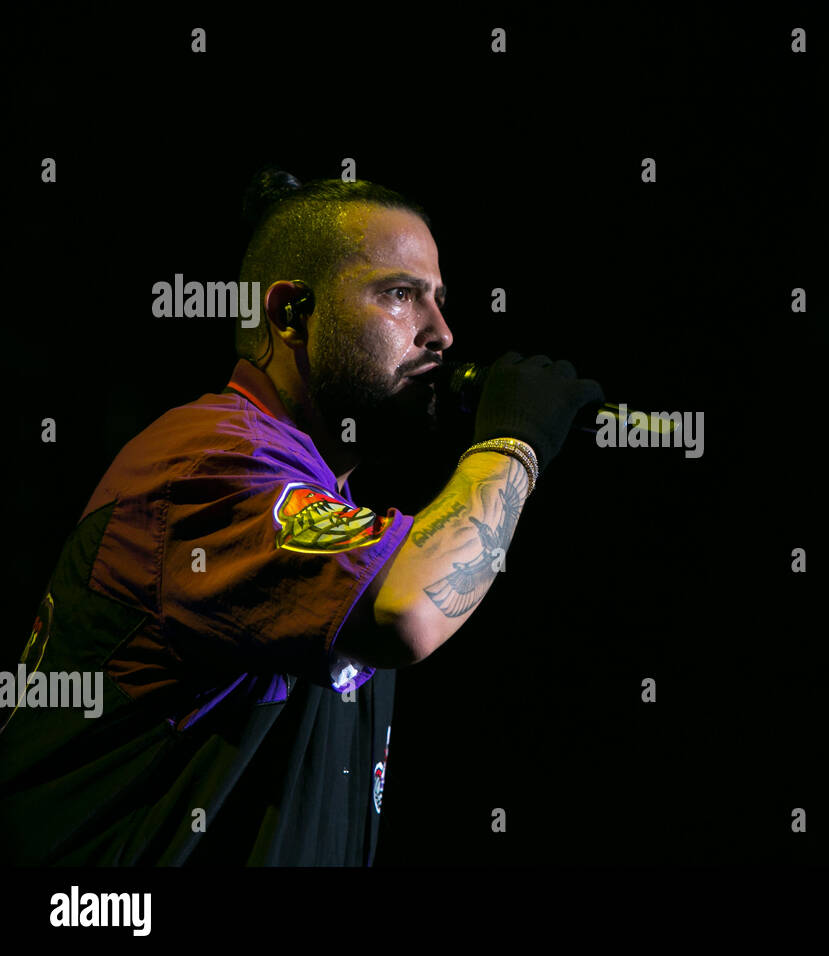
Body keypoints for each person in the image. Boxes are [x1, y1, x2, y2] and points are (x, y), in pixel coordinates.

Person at [0, 168, 602, 865]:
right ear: (290, 314)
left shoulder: (330, 508)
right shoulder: (208, 461)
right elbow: (411, 609)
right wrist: (513, 444)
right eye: (401, 295)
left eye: (441, 300)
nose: (443, 333)